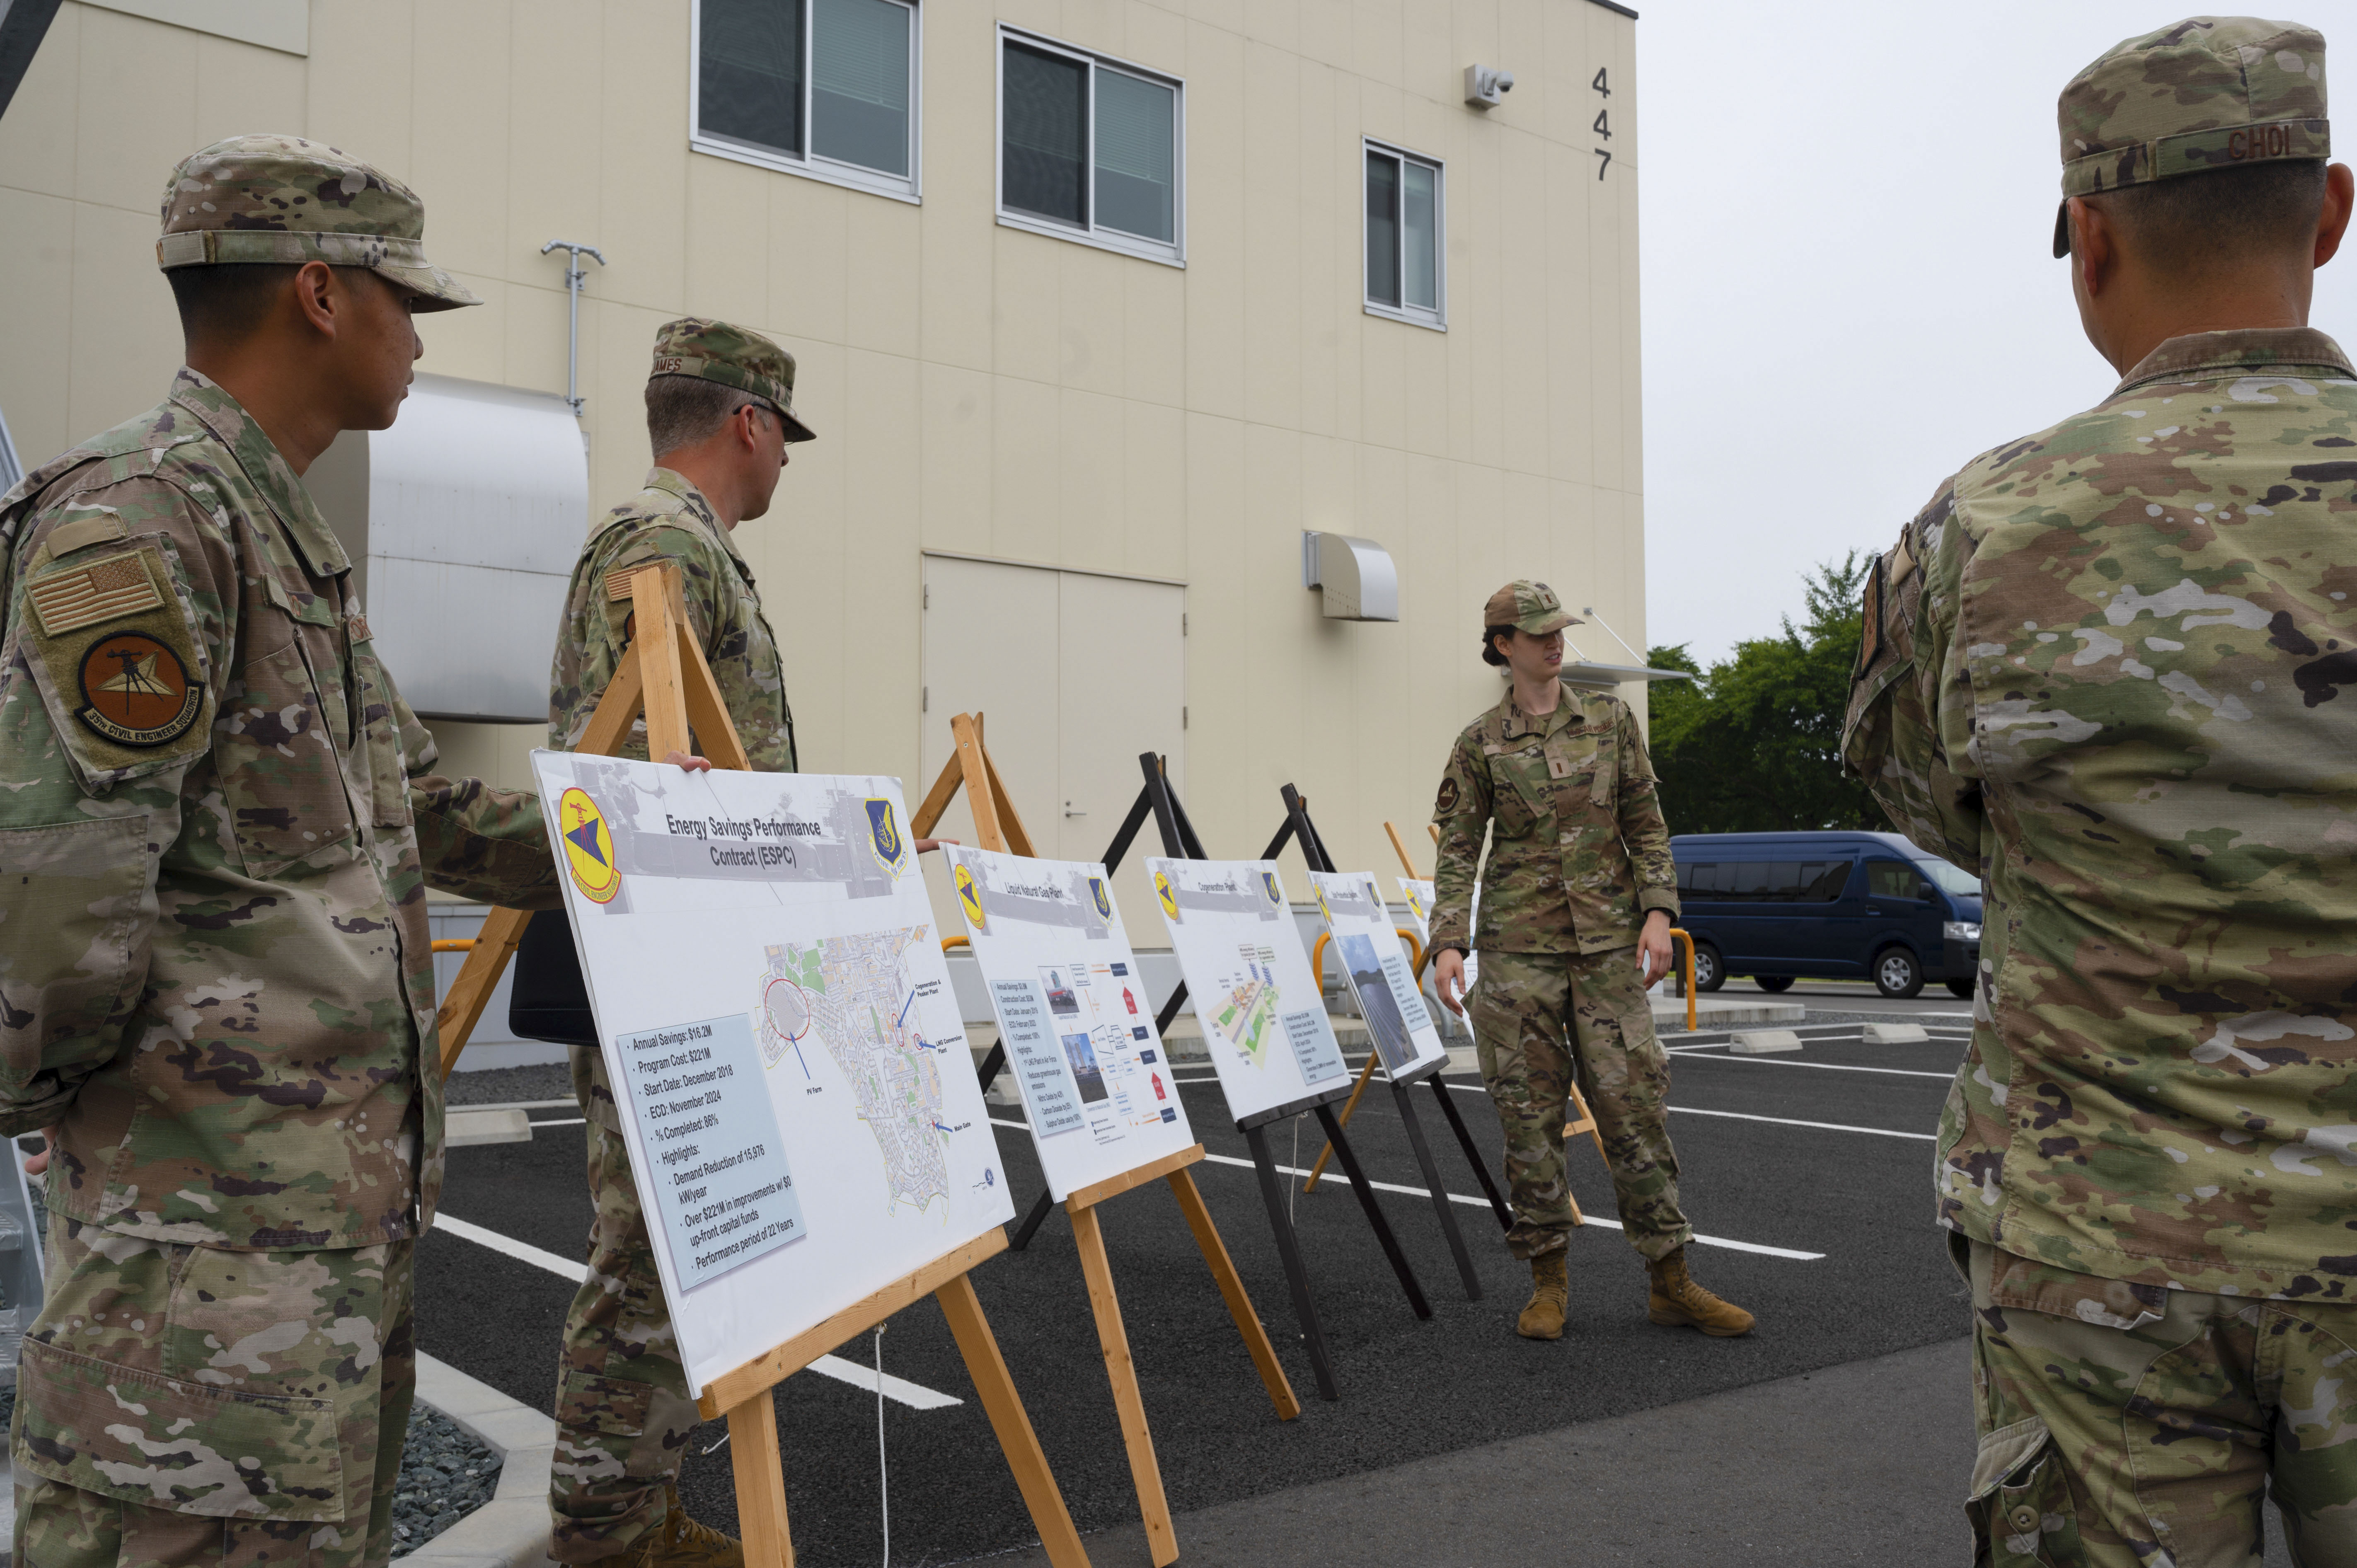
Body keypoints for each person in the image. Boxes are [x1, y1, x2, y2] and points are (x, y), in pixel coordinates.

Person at [0, 135, 565, 1568]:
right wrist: (128, 1141)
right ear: (320, 293)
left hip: (313, 1258)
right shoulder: (139, 522)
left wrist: (643, 839)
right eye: (406, 302)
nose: (417, 340)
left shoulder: (281, 541)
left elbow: (419, 815)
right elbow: (52, 913)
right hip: (195, 1277)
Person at [1841, 17, 2356, 1561]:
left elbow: (1932, 806)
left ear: (2087, 238)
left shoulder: (1981, 530)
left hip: (2094, 1250)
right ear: (2327, 211)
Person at [1428, 580, 1754, 1342]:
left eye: (1559, 630)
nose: (1555, 641)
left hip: (1609, 949)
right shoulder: (1479, 744)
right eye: (1538, 633)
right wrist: (1449, 939)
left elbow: (1646, 820)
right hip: (1517, 959)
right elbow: (1457, 850)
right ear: (1504, 645)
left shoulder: (1611, 721)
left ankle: (1671, 1281)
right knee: (1528, 1119)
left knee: (1634, 1109)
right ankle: (1548, 1284)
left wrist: (1659, 914)